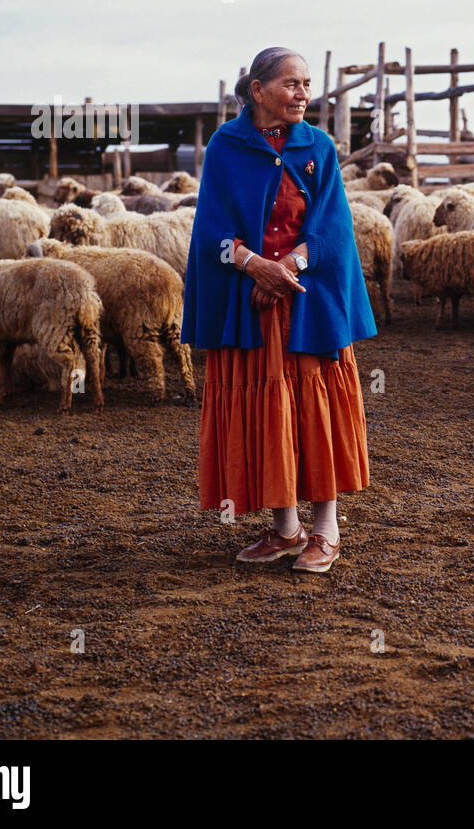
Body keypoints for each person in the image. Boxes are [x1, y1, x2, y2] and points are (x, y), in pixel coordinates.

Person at [182, 46, 377, 573]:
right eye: (291, 84)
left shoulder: (319, 147)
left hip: (307, 304)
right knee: (269, 412)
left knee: (314, 410)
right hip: (249, 306)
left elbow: (333, 226)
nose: (302, 94)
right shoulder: (226, 146)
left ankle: (326, 531)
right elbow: (211, 230)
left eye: (307, 84)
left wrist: (286, 267)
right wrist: (252, 266)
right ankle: (286, 528)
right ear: (258, 89)